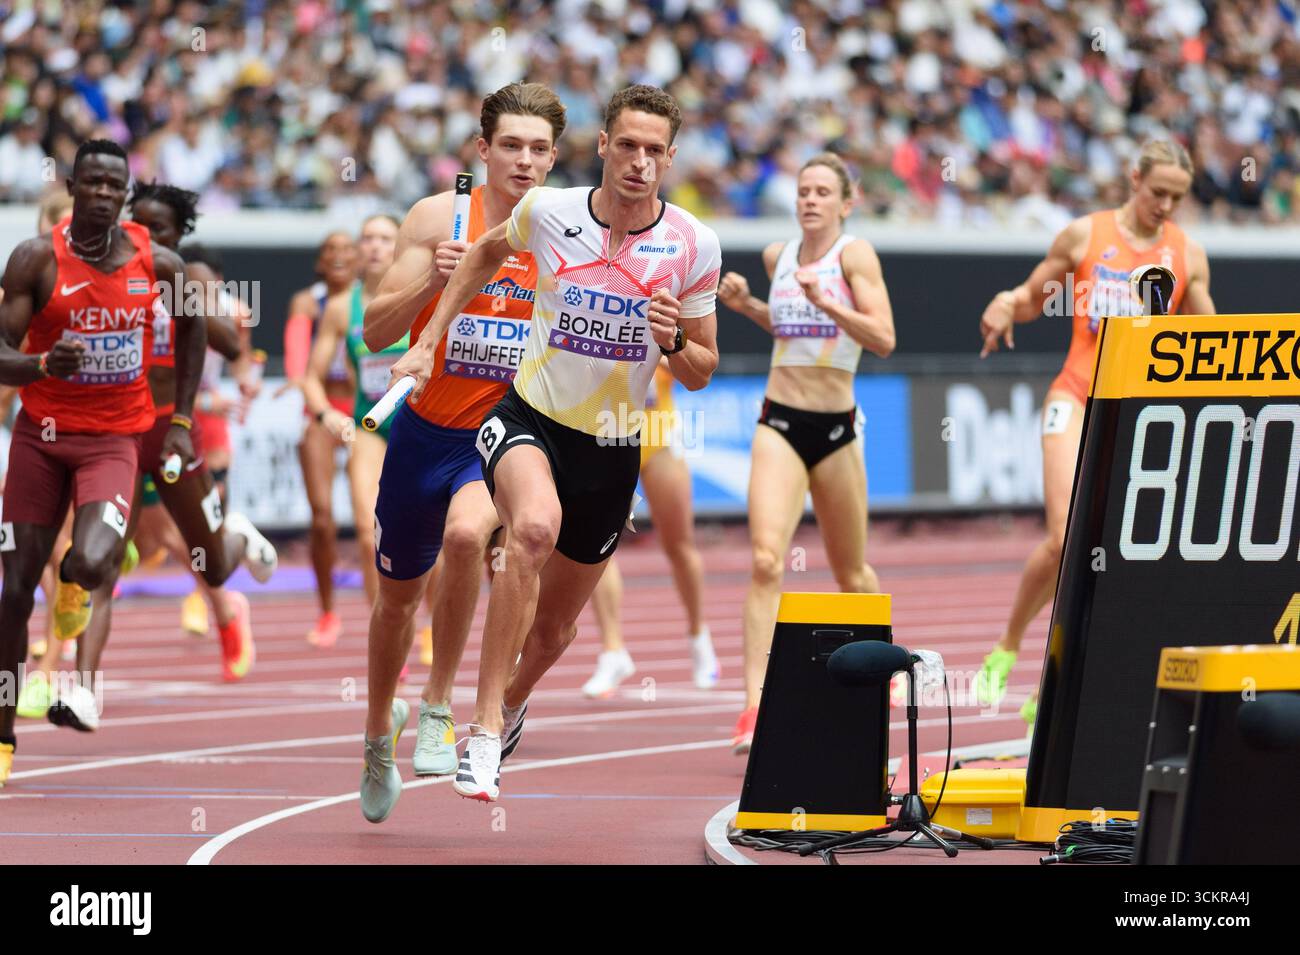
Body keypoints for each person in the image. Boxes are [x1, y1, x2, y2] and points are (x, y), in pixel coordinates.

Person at [390, 84, 722, 802]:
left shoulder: (694, 244)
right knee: (530, 529)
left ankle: (510, 702)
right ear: (603, 146)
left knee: (555, 631)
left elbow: (701, 371)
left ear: (670, 158)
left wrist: (674, 339)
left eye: (653, 151)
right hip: (528, 416)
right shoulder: (550, 212)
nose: (638, 162)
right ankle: (478, 730)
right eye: (626, 145)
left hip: (612, 443)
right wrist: (427, 342)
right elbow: (478, 255)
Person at [356, 82, 563, 823]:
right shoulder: (433, 218)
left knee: (470, 534)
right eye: (511, 145)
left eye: (540, 149)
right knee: (395, 603)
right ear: (483, 151)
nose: (526, 161)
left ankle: (440, 705)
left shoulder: (566, 233)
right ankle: (381, 730)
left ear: (555, 158)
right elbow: (376, 331)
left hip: (499, 435)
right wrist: (429, 280)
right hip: (421, 433)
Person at [974, 139, 1215, 725]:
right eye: (1157, 192)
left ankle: (1056, 679)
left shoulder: (1187, 254)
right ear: (1133, 178)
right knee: (1064, 540)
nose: (1165, 205)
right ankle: (1007, 645)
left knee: (1110, 559)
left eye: (1177, 197)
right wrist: (1007, 302)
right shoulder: (1084, 235)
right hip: (1077, 395)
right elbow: (1034, 298)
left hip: (1136, 414)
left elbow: (1211, 340)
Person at [0, 140, 202, 783]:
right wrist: (37, 365)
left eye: (116, 187)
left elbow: (193, 327)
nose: (105, 196)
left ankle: (73, 587)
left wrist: (182, 421)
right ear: (73, 185)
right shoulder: (35, 259)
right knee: (11, 594)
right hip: (40, 437)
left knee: (88, 561)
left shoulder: (157, 261)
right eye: (93, 184)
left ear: (126, 193)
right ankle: (2, 737)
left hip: (114, 439)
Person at [70, 181, 276, 705]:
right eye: (134, 223)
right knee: (108, 557)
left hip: (175, 432)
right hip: (119, 429)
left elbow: (232, 345)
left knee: (210, 562)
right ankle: (84, 690)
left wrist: (186, 294)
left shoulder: (189, 279)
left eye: (156, 228)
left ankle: (237, 537)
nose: (143, 235)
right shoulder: (111, 270)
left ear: (180, 234)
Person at [717, 152, 896, 755]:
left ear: (846, 203)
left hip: (839, 430)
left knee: (853, 572)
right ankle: (752, 705)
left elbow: (884, 339)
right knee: (768, 560)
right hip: (781, 421)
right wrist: (746, 306)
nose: (810, 200)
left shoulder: (855, 256)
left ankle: (882, 669)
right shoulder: (778, 256)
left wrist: (829, 303)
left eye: (823, 192)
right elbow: (789, 328)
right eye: (803, 191)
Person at [582, 362, 718, 697]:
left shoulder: (660, 310)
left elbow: (692, 367)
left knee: (678, 545)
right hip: (606, 434)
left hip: (657, 436)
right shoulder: (599, 310)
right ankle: (613, 651)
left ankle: (699, 637)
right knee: (599, 546)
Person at [302, 213, 402, 607]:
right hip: (369, 426)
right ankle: (386, 628)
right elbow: (311, 377)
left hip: (420, 427)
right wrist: (327, 414)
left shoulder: (426, 295)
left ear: (402, 245)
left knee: (432, 534)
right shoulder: (343, 307)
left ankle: (427, 623)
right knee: (367, 530)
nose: (374, 246)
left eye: (384, 238)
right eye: (367, 238)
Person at [283, 233, 358, 647]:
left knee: (386, 521)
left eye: (348, 250)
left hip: (368, 410)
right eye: (330, 250)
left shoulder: (376, 297)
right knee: (322, 517)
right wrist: (298, 379)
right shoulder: (306, 303)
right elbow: (297, 362)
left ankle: (420, 621)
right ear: (319, 262)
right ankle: (328, 612)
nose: (340, 256)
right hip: (321, 410)